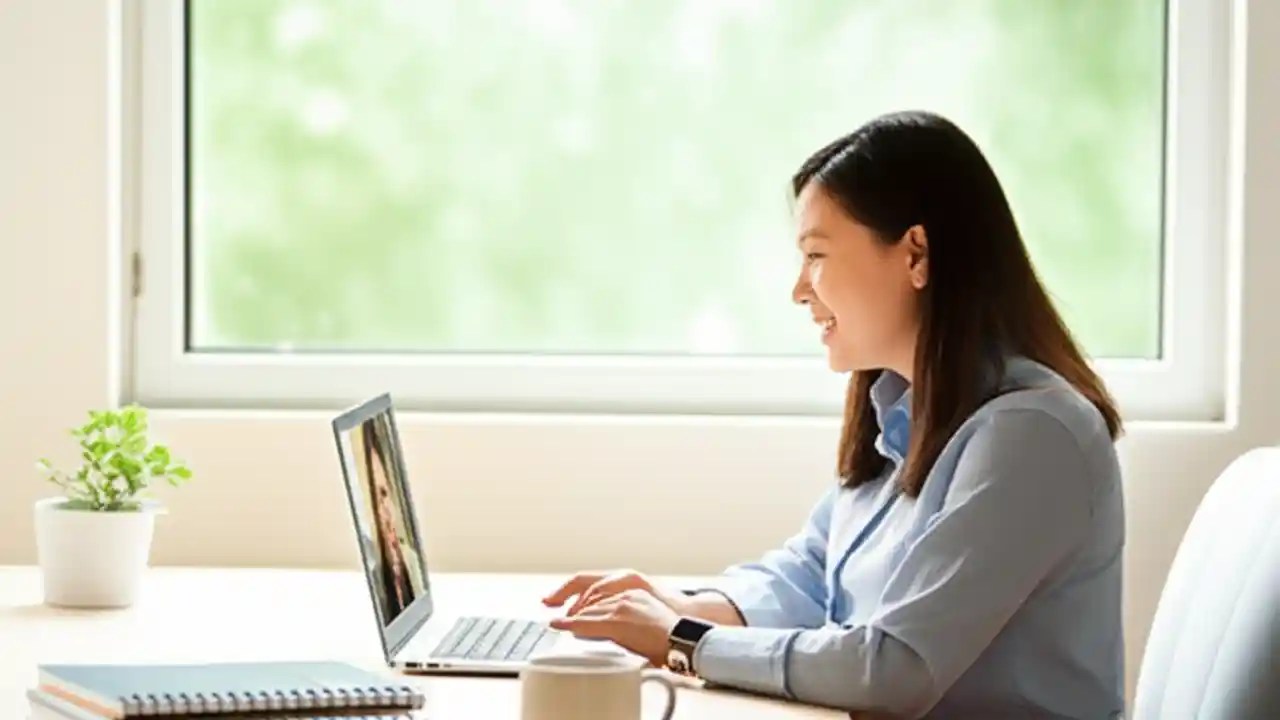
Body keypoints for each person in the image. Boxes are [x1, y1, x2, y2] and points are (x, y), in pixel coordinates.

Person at [543, 111, 1125, 719]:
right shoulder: (906, 412)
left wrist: (681, 641)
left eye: (816, 255)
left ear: (916, 253)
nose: (800, 289)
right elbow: (813, 574)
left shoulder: (1032, 437)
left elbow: (894, 668)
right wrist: (677, 604)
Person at [361, 418, 417, 620]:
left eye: (386, 495)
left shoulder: (410, 561)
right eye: (379, 498)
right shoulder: (376, 578)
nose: (386, 512)